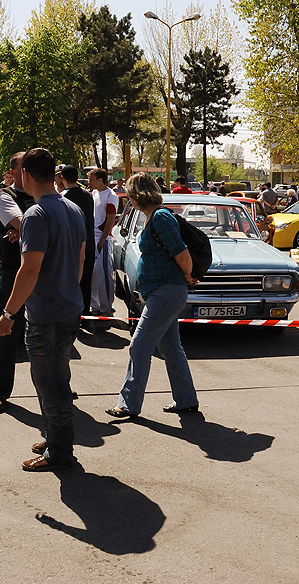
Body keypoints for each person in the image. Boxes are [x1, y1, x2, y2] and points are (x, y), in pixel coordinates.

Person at [0, 148, 86, 472]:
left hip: (47, 315)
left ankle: (60, 453)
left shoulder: (35, 214)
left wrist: (8, 314)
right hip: (68, 308)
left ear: (27, 175)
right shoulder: (73, 208)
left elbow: (29, 269)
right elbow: (80, 260)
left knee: (53, 385)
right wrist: (67, 291)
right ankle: (54, 438)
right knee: (53, 380)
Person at [105, 173, 199, 418]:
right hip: (164, 292)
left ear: (137, 195)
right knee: (171, 348)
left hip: (166, 292)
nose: (128, 200)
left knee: (139, 347)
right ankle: (186, 400)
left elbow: (182, 254)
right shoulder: (154, 217)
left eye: (129, 194)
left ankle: (128, 405)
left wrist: (188, 276)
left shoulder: (160, 217)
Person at [0, 152, 37, 414]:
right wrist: (20, 228)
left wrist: (22, 230)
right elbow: (23, 223)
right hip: (13, 269)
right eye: (24, 167)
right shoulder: (4, 196)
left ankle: (57, 384)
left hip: (42, 268)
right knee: (7, 328)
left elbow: (28, 227)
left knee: (48, 330)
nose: (29, 172)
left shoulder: (42, 195)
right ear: (15, 172)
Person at [59, 165, 96, 317]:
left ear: (63, 178)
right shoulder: (87, 195)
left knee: (70, 281)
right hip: (89, 243)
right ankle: (85, 312)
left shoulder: (62, 197)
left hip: (70, 245)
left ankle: (71, 313)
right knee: (86, 281)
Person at [88, 168, 119, 316]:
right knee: (93, 274)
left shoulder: (111, 196)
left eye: (91, 180)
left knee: (103, 274)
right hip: (91, 237)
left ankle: (106, 307)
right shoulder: (93, 193)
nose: (89, 183)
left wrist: (101, 240)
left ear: (100, 180)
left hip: (103, 238)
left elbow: (111, 219)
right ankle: (95, 306)